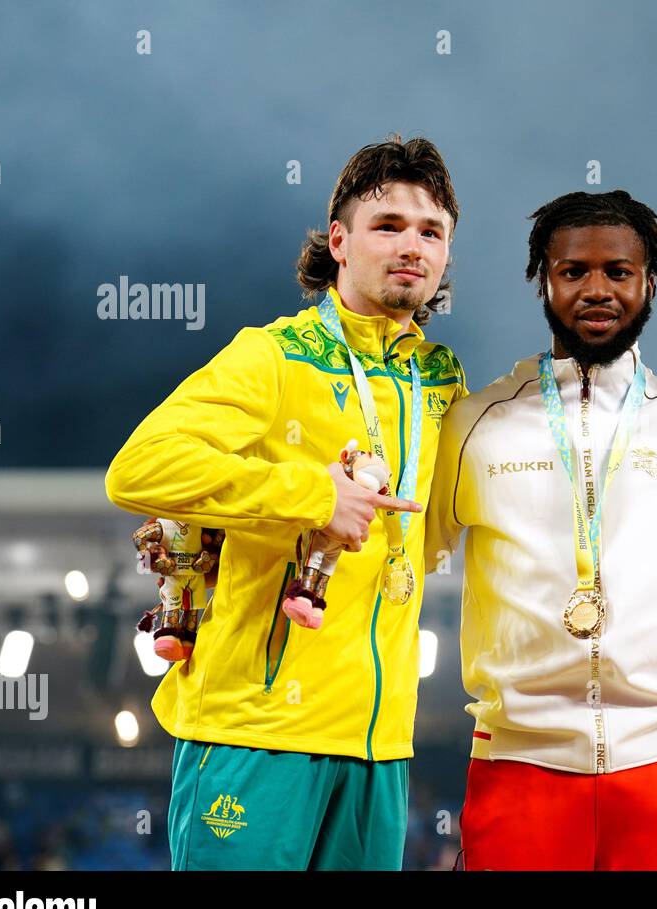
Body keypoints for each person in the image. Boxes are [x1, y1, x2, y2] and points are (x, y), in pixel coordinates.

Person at [105, 136, 467, 870]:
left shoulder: (440, 382)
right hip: (256, 730)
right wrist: (308, 495)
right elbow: (138, 467)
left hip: (379, 748)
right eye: (388, 224)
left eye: (431, 232)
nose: (412, 246)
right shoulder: (274, 356)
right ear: (338, 240)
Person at [426, 190, 657, 870]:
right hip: (519, 764)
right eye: (573, 272)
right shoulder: (475, 423)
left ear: (650, 281)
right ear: (543, 279)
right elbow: (399, 559)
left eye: (618, 272)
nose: (597, 289)